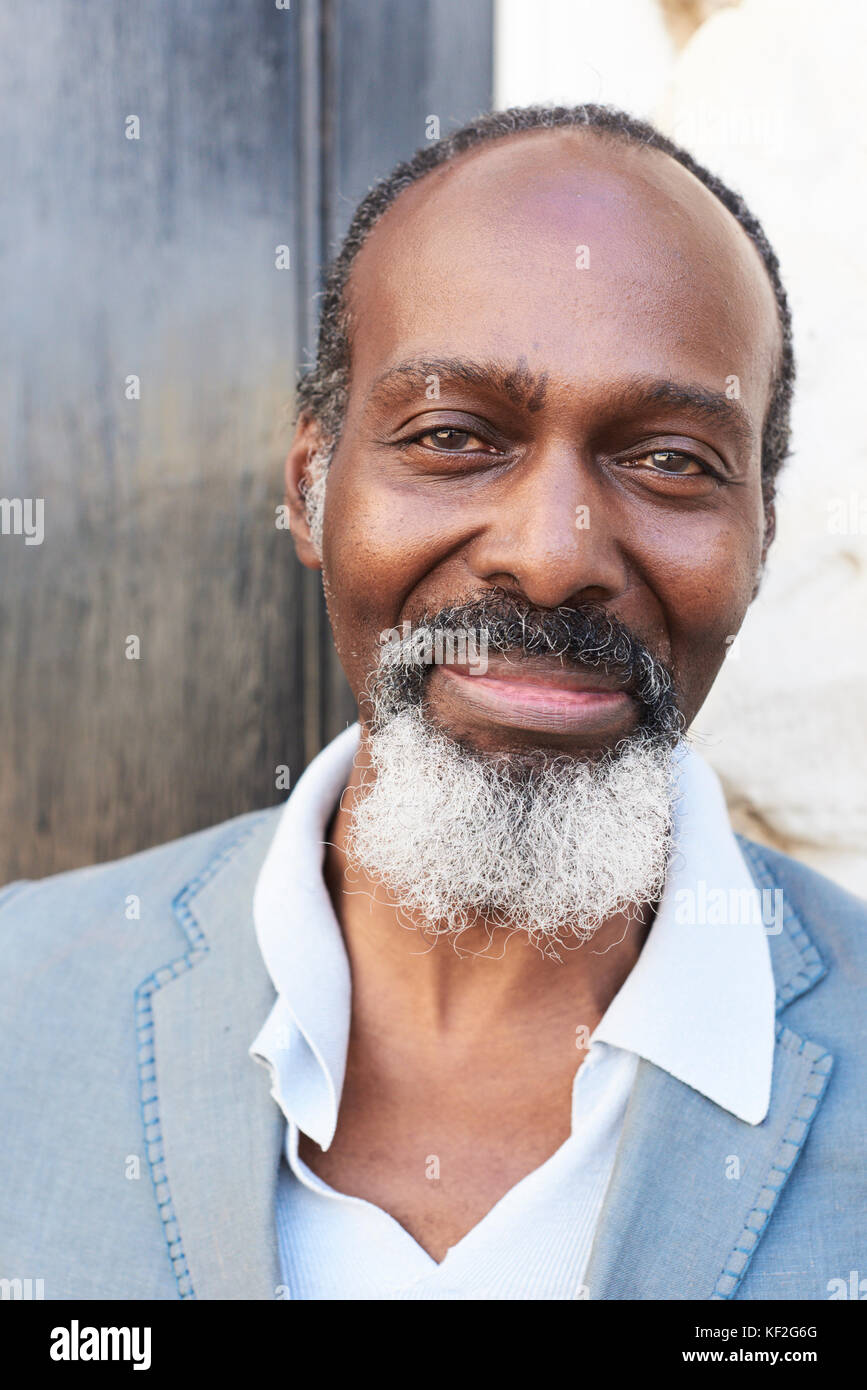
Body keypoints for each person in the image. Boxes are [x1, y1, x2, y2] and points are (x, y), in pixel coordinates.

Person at [1, 105, 863, 1302]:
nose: (554, 557)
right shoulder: (18, 1003)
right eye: (453, 435)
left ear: (759, 538)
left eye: (670, 459)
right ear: (311, 490)